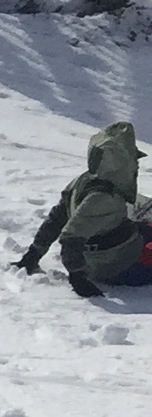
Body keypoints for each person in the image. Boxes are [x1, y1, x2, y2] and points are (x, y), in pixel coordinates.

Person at [19, 122, 148, 298]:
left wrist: (33, 254)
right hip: (116, 266)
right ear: (121, 161)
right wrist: (78, 278)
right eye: (133, 159)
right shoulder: (104, 197)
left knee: (145, 228)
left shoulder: (84, 181)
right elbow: (70, 237)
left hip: (107, 250)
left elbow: (57, 218)